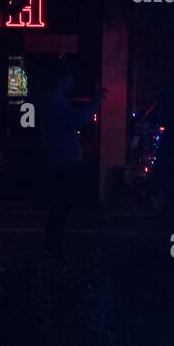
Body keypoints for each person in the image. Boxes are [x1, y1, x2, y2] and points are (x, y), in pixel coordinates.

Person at [38, 56, 106, 260]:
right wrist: (95, 103)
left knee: (61, 204)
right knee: (63, 204)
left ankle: (53, 247)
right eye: (70, 78)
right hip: (63, 159)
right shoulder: (55, 100)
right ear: (63, 80)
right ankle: (53, 248)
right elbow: (77, 120)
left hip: (58, 158)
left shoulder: (49, 100)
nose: (73, 82)